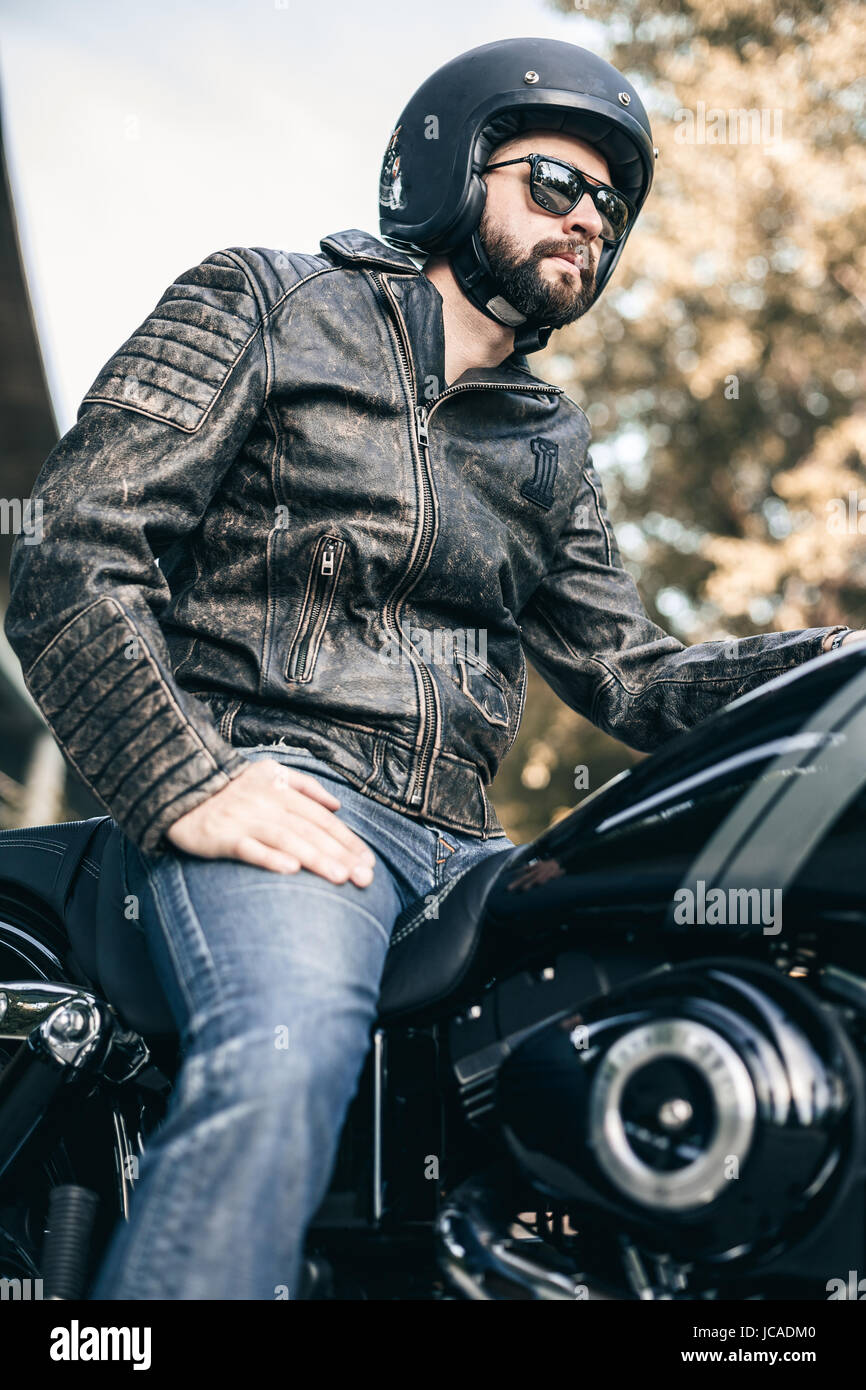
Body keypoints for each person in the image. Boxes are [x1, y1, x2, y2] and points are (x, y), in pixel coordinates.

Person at [4, 37, 862, 1300]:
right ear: (448, 169)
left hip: (456, 848)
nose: (589, 221)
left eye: (609, 210)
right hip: (280, 799)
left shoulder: (547, 439)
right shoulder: (268, 301)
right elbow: (73, 551)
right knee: (284, 1051)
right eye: (555, 184)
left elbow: (632, 677)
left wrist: (837, 663)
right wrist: (185, 776)